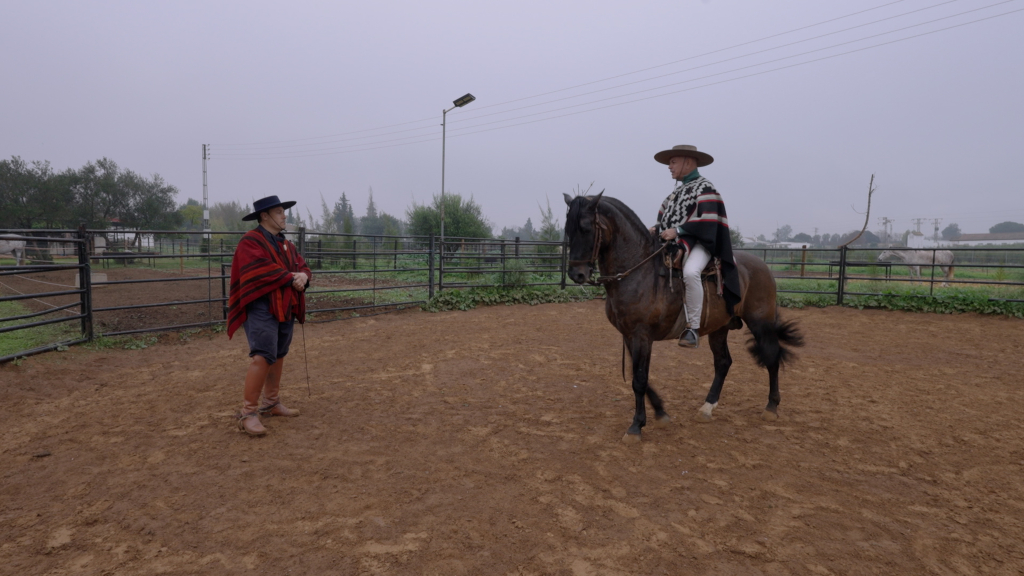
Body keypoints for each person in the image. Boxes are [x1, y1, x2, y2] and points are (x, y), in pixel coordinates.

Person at [227, 195, 312, 436]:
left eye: (283, 211)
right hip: (261, 307)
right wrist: (290, 277)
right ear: (264, 216)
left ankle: (271, 403)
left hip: (285, 305)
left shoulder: (286, 244)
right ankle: (247, 413)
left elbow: (302, 266)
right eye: (279, 212)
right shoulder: (250, 241)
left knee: (278, 353)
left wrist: (303, 277)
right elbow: (258, 268)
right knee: (263, 355)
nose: (285, 215)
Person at [650, 145, 741, 348]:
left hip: (701, 243)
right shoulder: (675, 193)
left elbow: (709, 221)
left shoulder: (705, 188)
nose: (669, 167)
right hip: (677, 243)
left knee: (691, 272)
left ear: (688, 162)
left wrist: (679, 231)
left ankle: (692, 327)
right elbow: (668, 221)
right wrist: (657, 229)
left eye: (673, 162)